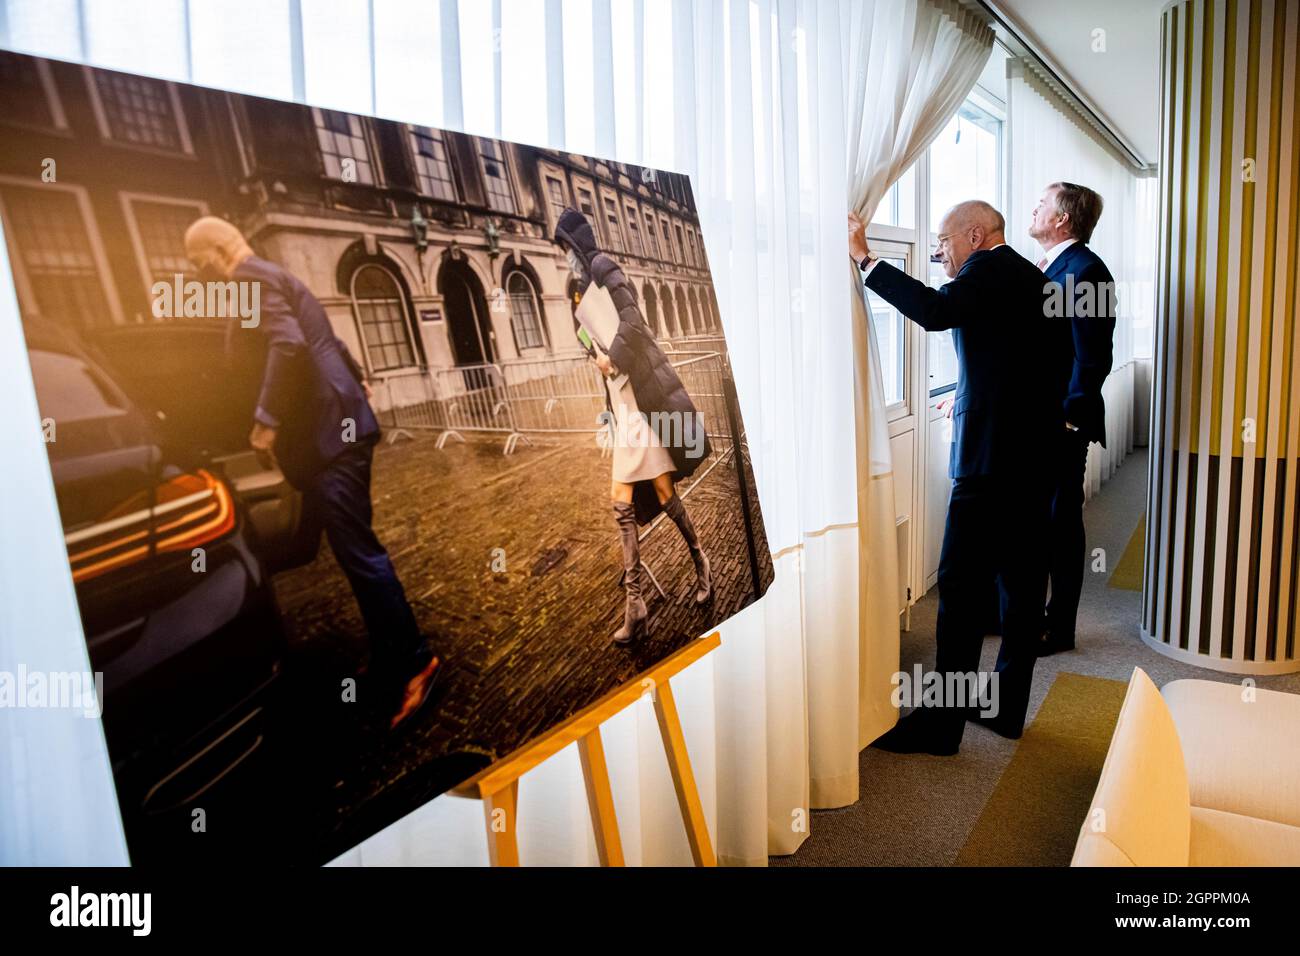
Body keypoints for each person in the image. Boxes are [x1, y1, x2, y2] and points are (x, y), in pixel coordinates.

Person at [183, 216, 441, 730]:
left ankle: (417, 662)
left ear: (216, 249)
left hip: (328, 438)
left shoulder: (248, 280)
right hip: (338, 429)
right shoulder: (276, 275)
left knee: (361, 554)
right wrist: (358, 380)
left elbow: (290, 346)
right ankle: (393, 654)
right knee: (354, 553)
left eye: (195, 261)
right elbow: (325, 338)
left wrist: (264, 423)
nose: (196, 271)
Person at [847, 200, 1062, 755]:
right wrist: (978, 401)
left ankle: (942, 725)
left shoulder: (986, 269)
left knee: (960, 589)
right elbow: (1030, 361)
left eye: (943, 241)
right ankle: (1008, 710)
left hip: (990, 465)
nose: (940, 250)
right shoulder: (1034, 278)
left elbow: (935, 311)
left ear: (974, 235)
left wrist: (866, 260)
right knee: (1019, 589)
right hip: (1035, 458)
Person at [553, 208, 713, 645]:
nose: (565, 257)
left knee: (663, 493)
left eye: (566, 247)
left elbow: (635, 325)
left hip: (644, 403)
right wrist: (591, 350)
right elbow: (585, 336)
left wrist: (613, 358)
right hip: (622, 407)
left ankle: (700, 561)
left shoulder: (606, 268)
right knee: (621, 502)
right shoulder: (580, 287)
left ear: (578, 243)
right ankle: (635, 604)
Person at [1028, 182, 1116, 656]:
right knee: (1041, 522)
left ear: (1062, 218)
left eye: (1041, 204)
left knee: (1061, 525)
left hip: (1063, 425)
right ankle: (1029, 616)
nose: (1033, 208)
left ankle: (1058, 629)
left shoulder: (1088, 272)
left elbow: (1093, 356)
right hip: (1038, 420)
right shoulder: (1051, 267)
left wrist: (1067, 418)